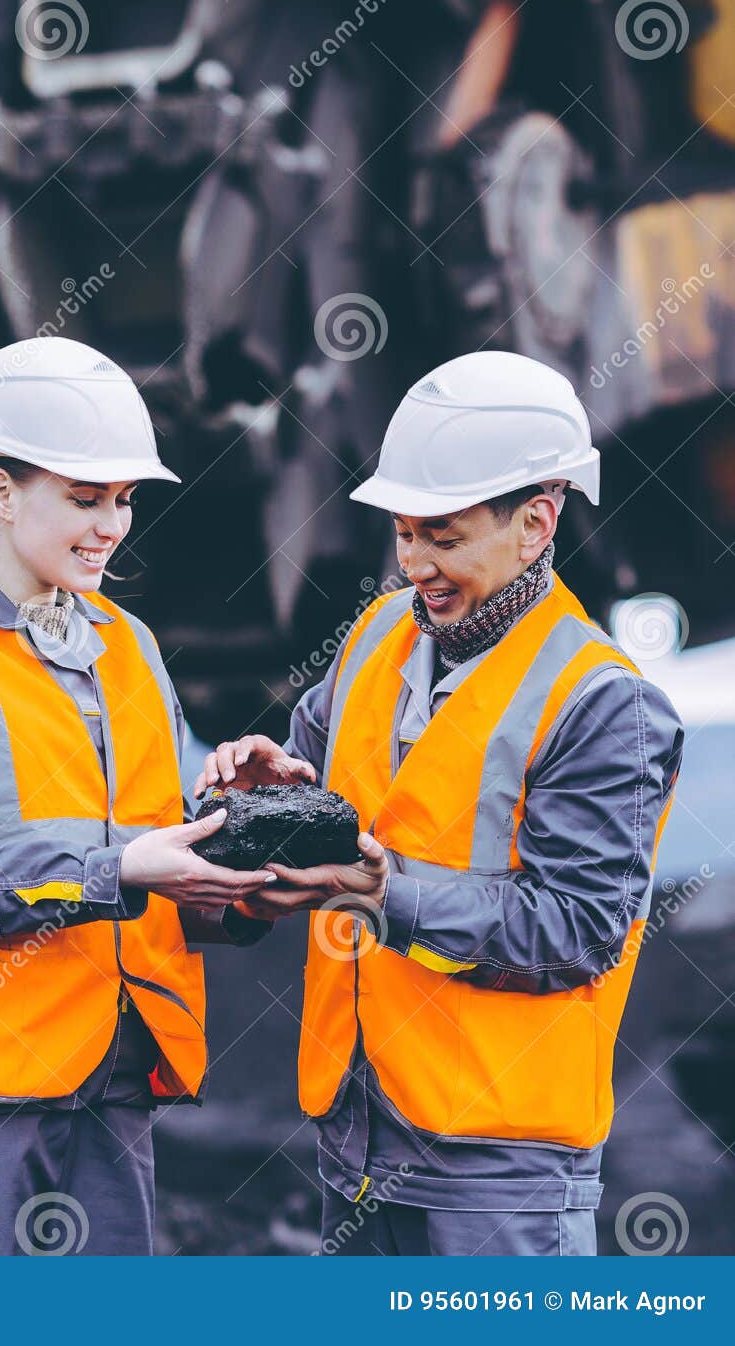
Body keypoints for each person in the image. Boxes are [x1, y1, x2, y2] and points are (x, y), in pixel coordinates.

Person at [197, 351, 684, 1258]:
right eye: (403, 533)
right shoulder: (379, 634)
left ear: (535, 523)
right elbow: (332, 805)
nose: (415, 563)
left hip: (499, 1171)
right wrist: (273, 800)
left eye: (443, 537)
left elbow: (579, 930)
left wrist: (388, 895)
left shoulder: (601, 702)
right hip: (356, 1139)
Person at [0, 337, 279, 1257]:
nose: (111, 525)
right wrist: (121, 867)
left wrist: (248, 866)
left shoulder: (127, 645)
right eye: (83, 498)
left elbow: (147, 861)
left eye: (124, 499)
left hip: (110, 1082)